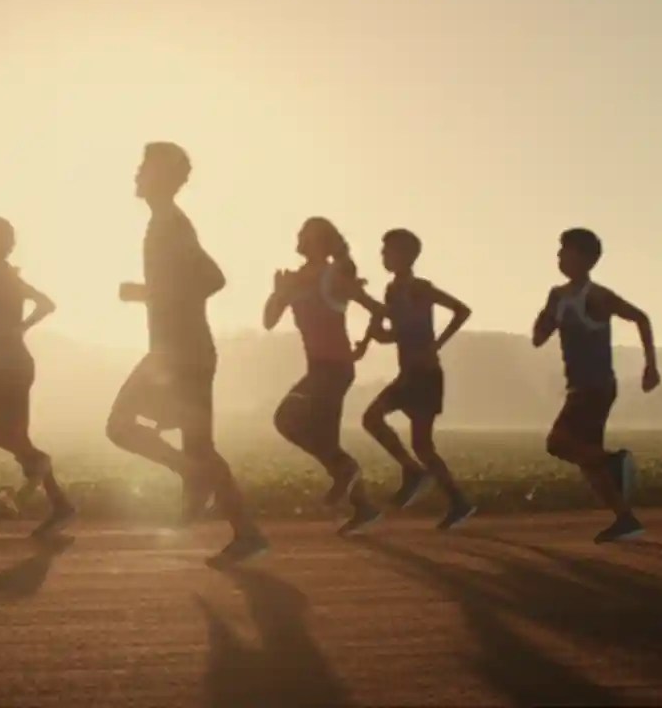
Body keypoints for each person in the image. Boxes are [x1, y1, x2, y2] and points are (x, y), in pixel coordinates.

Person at [107, 141, 268, 566]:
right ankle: (246, 532)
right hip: (179, 351)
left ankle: (194, 478)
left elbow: (213, 279)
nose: (137, 174)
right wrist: (152, 295)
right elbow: (196, 282)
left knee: (121, 426)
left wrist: (150, 293)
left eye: (144, 167)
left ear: (163, 176)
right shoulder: (167, 224)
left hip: (181, 353)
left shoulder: (171, 226)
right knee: (198, 446)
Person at [533, 227, 658, 543]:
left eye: (566, 251)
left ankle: (614, 461)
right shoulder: (558, 297)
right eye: (559, 251)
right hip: (578, 386)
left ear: (587, 259)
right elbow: (538, 338)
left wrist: (650, 366)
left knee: (558, 443)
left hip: (596, 386)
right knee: (586, 460)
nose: (560, 257)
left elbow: (641, 318)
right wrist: (546, 313)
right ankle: (625, 520)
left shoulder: (598, 296)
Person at [262, 217, 385, 535]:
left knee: (285, 419)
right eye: (299, 232)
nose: (299, 238)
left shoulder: (334, 275)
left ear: (320, 241)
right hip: (320, 368)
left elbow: (376, 309)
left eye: (305, 234)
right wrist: (279, 293)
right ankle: (364, 505)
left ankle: (347, 472)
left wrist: (363, 346)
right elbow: (269, 321)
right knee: (324, 440)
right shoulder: (296, 279)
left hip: (336, 369)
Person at [0, 217, 76, 538]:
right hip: (10, 365)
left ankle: (40, 462)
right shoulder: (3, 277)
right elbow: (43, 306)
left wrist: (6, 327)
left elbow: (31, 312)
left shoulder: (3, 279)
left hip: (7, 367)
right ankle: (61, 506)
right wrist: (4, 326)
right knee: (17, 439)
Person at [361, 228, 476, 530]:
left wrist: (435, 346)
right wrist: (376, 336)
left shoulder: (421, 287)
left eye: (389, 250)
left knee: (423, 445)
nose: (383, 256)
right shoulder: (391, 290)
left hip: (425, 376)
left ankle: (457, 500)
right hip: (407, 375)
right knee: (372, 419)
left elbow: (462, 310)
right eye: (383, 250)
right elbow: (395, 335)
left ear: (407, 255)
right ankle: (416, 474)